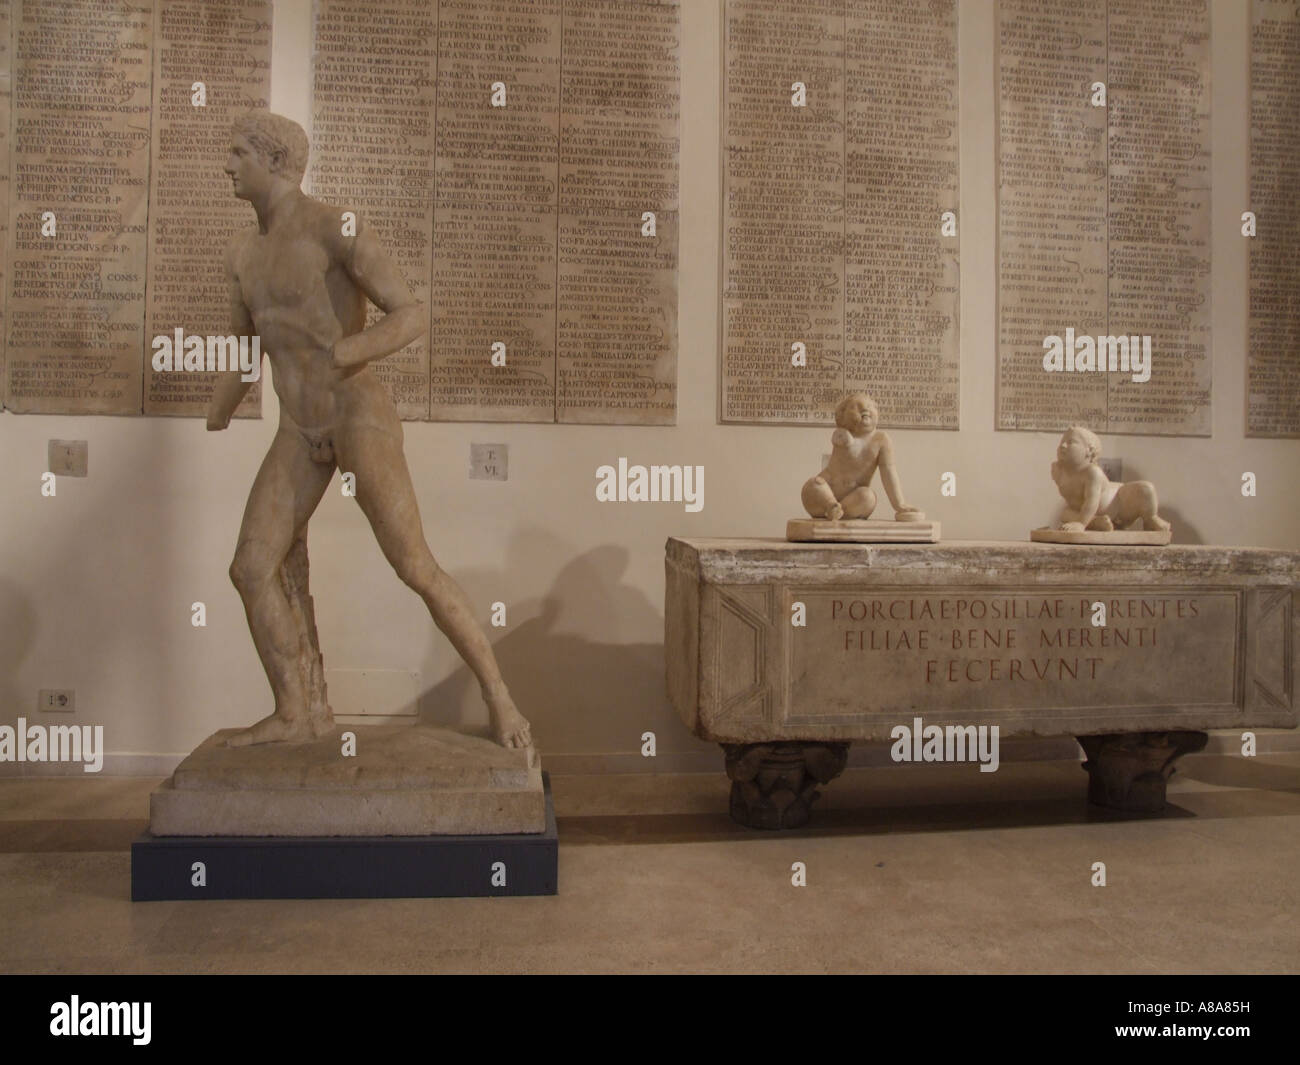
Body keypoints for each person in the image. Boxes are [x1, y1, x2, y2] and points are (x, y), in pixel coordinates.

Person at [207, 111, 531, 749]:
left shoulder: (335, 228)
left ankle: (500, 697)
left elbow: (410, 313)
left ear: (274, 160)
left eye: (238, 153)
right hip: (299, 426)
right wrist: (219, 404)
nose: (226, 166)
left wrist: (354, 350)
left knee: (414, 565)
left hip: (356, 411)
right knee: (250, 568)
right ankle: (298, 711)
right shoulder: (242, 253)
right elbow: (243, 352)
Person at [800, 393, 922, 521]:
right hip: (825, 493)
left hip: (854, 499)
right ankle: (830, 505)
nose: (865, 409)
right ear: (841, 417)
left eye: (870, 406)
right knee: (814, 484)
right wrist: (845, 440)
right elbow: (850, 447)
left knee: (868, 497)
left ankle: (838, 511)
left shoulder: (881, 440)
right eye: (856, 406)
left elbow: (888, 471)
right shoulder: (842, 435)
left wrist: (899, 504)